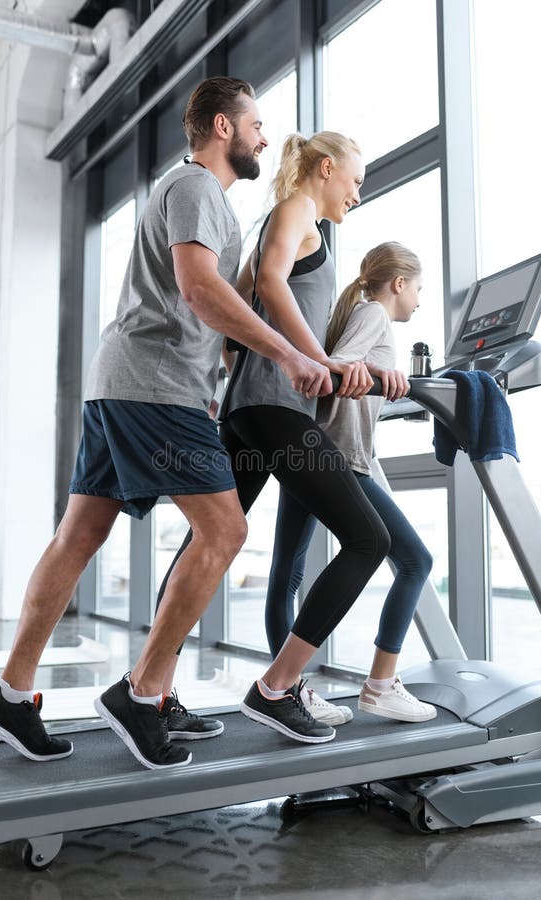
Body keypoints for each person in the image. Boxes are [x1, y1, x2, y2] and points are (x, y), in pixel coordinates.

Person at [0, 77, 332, 770]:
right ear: (221, 128)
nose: (263, 134)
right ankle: (143, 694)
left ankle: (10, 693)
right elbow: (198, 292)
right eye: (255, 122)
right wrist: (285, 354)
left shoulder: (200, 200)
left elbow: (204, 311)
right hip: (151, 389)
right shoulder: (196, 189)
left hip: (125, 384)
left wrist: (279, 356)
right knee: (224, 530)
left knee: (78, 535)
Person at [156, 131, 394, 746]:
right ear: (325, 169)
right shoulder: (296, 210)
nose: (357, 195)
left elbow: (234, 321)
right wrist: (315, 361)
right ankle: (276, 690)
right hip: (276, 411)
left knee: (205, 545)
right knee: (369, 539)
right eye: (355, 181)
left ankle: (150, 691)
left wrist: (317, 367)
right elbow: (269, 281)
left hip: (248, 410)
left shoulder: (272, 220)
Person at [265, 242, 437, 725]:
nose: (420, 300)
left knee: (287, 574)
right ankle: (380, 684)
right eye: (419, 288)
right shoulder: (375, 315)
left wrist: (380, 377)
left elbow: (343, 370)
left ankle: (286, 690)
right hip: (340, 460)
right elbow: (340, 364)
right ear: (399, 284)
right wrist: (380, 372)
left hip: (311, 450)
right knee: (414, 560)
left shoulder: (356, 311)